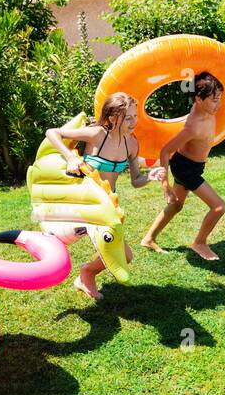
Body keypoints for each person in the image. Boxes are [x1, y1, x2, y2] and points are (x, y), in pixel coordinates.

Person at [44, 92, 165, 298]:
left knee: (125, 256)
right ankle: (59, 236)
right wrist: (70, 158)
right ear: (111, 118)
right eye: (128, 117)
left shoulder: (132, 144)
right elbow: (52, 132)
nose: (133, 121)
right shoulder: (98, 134)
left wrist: (150, 177)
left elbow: (136, 180)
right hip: (86, 200)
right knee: (115, 251)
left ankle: (86, 273)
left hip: (108, 204)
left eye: (135, 116)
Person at [140, 71, 225, 261]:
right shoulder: (193, 126)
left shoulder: (208, 110)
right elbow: (164, 151)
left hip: (194, 166)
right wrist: (166, 187)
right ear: (198, 99)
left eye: (219, 98)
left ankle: (148, 238)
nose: (218, 104)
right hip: (185, 168)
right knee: (219, 207)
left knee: (177, 206)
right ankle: (200, 243)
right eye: (214, 100)